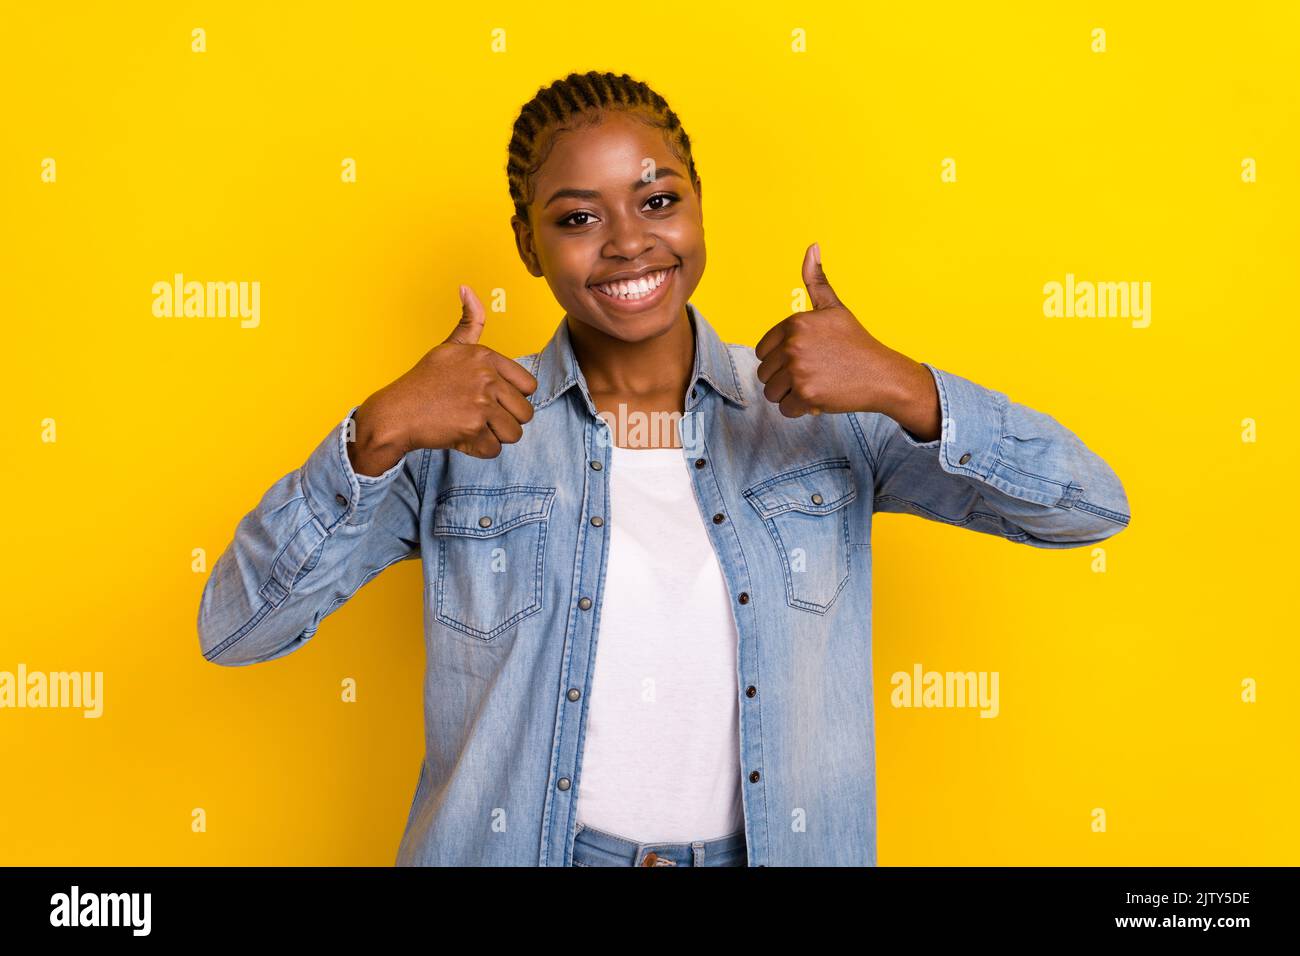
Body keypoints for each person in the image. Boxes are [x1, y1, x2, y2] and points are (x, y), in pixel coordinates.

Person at [196, 70, 1131, 867]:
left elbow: (1091, 506)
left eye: (657, 200)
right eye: (576, 217)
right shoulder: (458, 431)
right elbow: (238, 630)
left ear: (696, 204)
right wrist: (377, 429)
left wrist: (907, 387)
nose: (628, 241)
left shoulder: (826, 413)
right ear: (527, 244)